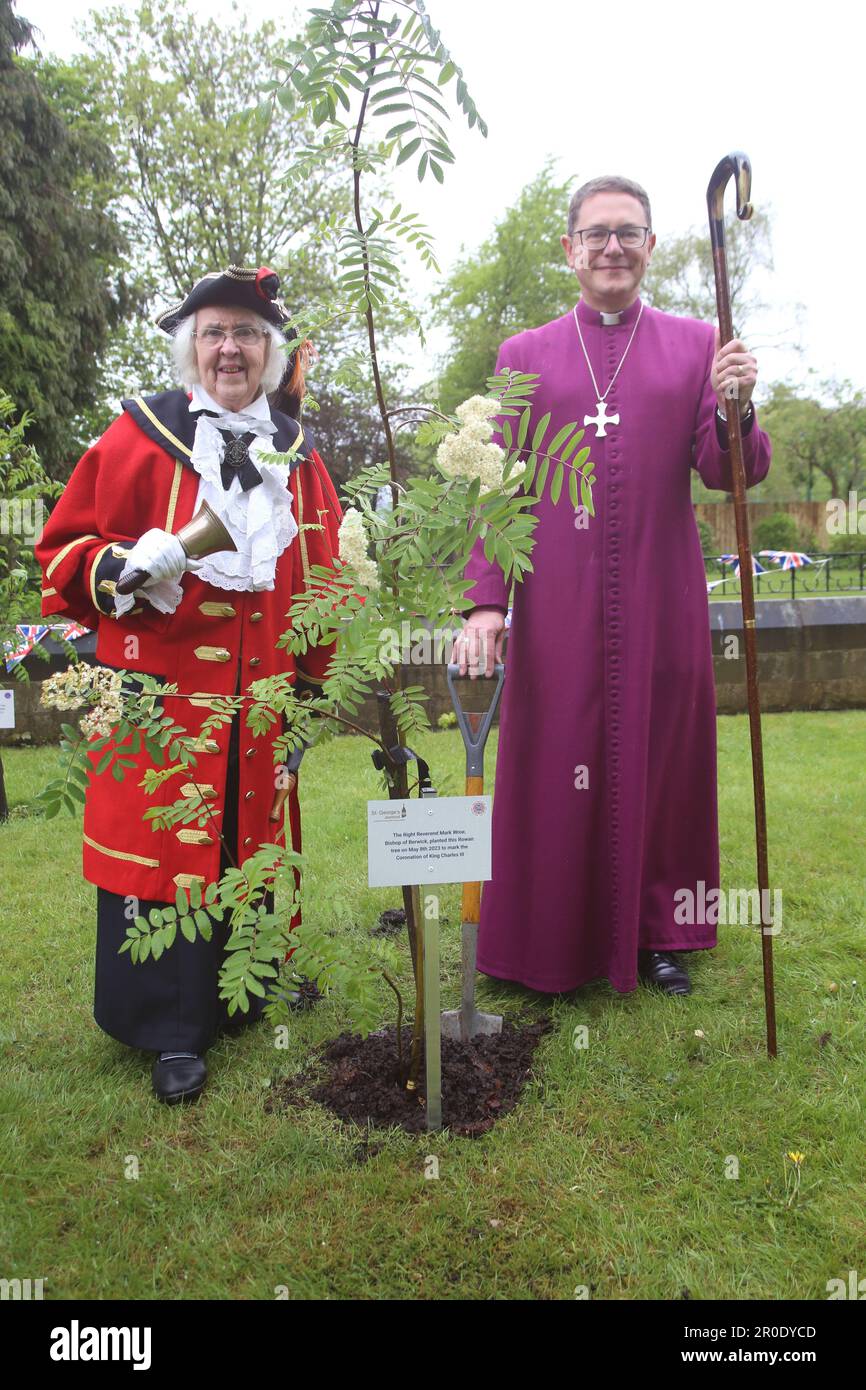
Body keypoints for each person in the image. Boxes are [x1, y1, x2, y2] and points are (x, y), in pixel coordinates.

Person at [453, 175, 771, 999]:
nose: (611, 248)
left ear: (651, 247)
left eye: (628, 233)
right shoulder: (523, 355)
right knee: (558, 759)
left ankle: (659, 934)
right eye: (596, 234)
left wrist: (738, 406)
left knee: (663, 759)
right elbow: (495, 487)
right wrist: (487, 604)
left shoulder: (699, 343)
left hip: (663, 599)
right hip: (556, 602)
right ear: (569, 249)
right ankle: (550, 938)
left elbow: (726, 471)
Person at [36, 265, 343, 1102]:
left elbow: (327, 587)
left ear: (271, 353)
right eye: (214, 332)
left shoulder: (302, 458)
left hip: (261, 696)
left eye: (247, 334)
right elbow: (59, 555)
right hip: (156, 701)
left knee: (245, 839)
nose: (230, 349)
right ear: (190, 348)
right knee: (168, 846)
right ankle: (171, 1030)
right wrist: (122, 568)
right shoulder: (136, 435)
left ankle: (238, 999)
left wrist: (311, 698)